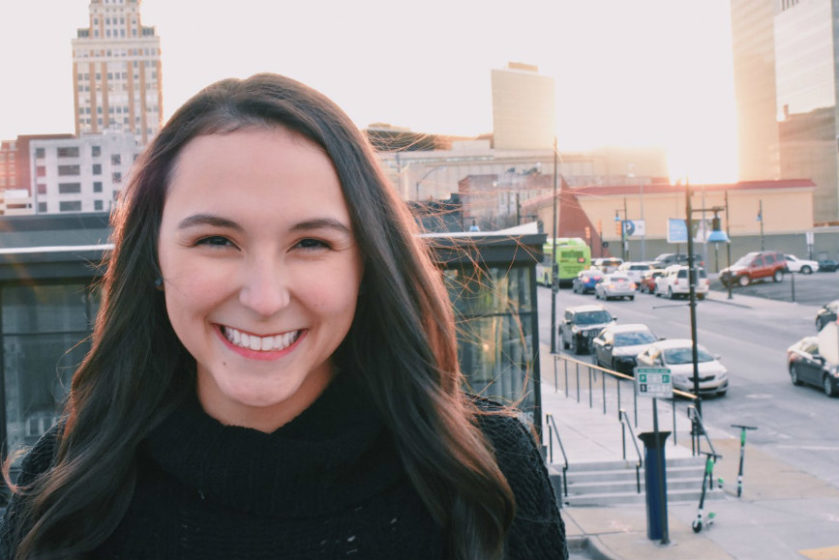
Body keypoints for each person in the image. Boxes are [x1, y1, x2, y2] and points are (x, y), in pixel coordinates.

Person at [0, 73, 567, 560]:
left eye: (311, 244)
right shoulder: (58, 490)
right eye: (217, 240)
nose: (265, 298)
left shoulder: (488, 476)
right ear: (153, 256)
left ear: (366, 264)